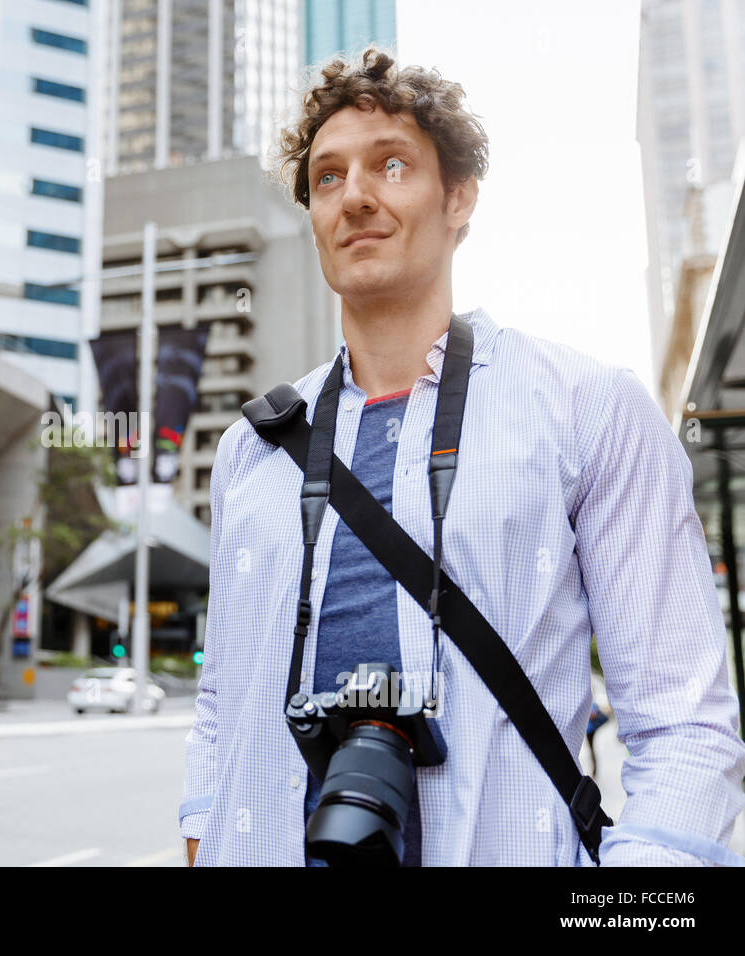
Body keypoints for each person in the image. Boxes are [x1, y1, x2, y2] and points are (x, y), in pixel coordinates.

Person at [180, 46, 745, 866]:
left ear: (459, 197)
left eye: (393, 164)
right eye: (328, 177)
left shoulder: (588, 409)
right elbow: (219, 708)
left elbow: (686, 725)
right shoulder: (252, 450)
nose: (357, 196)